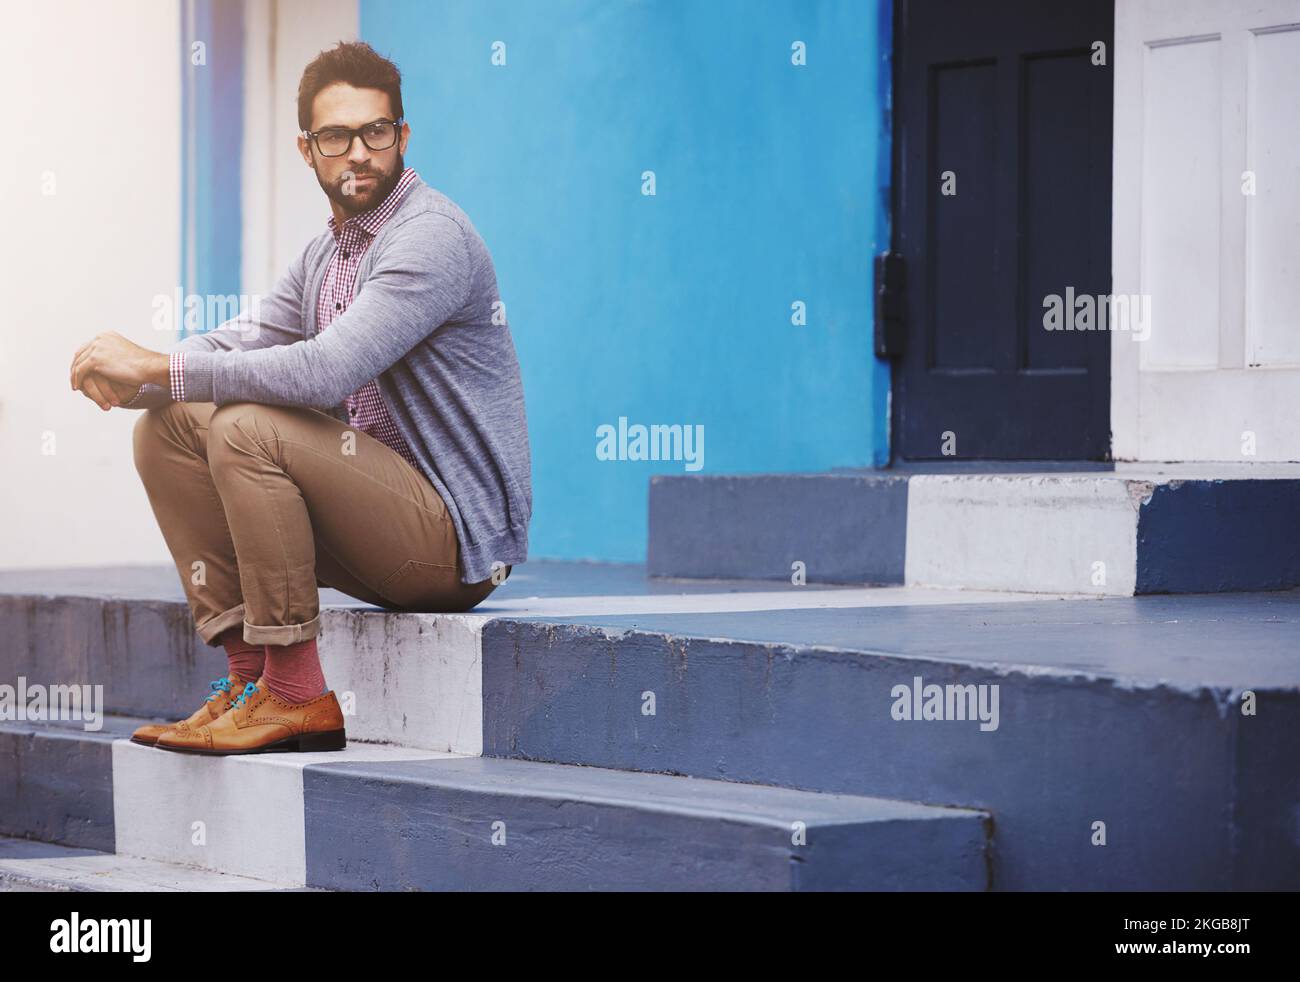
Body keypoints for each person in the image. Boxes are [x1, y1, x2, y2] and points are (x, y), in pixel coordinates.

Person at [68, 40, 531, 755]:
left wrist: (155, 362)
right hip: (376, 518)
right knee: (169, 426)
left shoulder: (430, 238)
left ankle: (298, 695)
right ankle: (250, 682)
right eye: (336, 137)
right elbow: (239, 344)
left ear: (402, 136)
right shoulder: (328, 254)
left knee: (246, 427)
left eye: (377, 132)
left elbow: (321, 372)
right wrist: (138, 381)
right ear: (307, 150)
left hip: (451, 544)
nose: (360, 153)